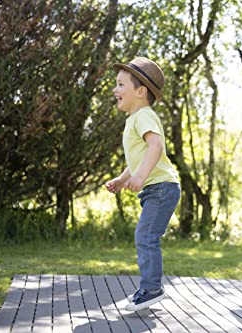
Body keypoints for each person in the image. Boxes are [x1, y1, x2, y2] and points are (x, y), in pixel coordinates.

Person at [105, 57, 180, 311]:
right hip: (156, 188)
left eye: (120, 85)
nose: (115, 90)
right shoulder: (135, 120)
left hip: (161, 187)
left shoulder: (144, 116)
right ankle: (149, 287)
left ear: (140, 91)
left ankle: (152, 288)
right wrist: (124, 178)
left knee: (146, 236)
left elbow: (156, 147)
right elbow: (139, 158)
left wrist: (139, 178)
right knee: (146, 236)